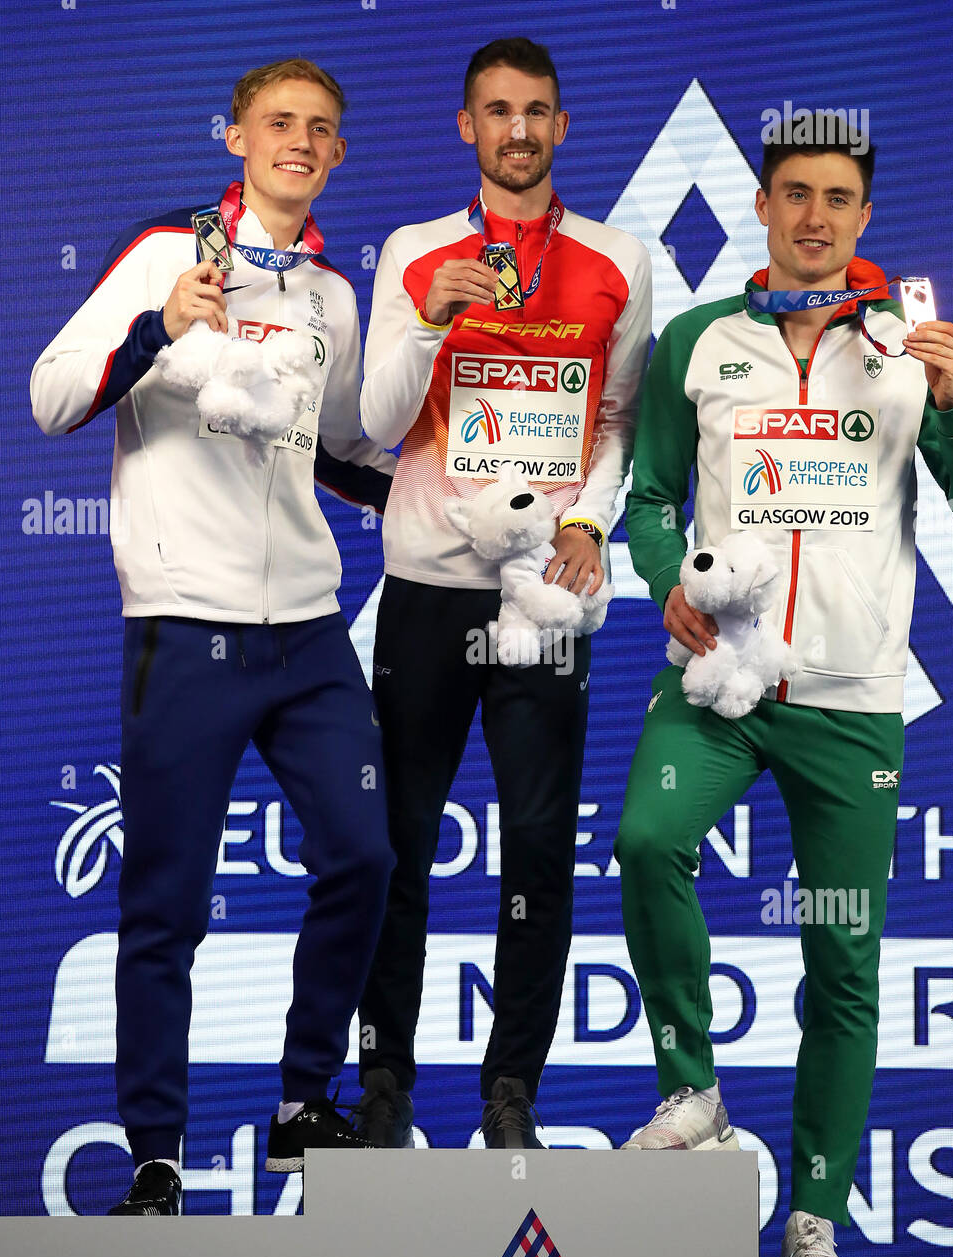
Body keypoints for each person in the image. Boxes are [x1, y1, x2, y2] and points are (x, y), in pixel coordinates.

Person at [615, 130, 953, 1257]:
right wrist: (666, 578)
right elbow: (647, 493)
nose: (814, 216)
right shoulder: (699, 339)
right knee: (647, 840)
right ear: (760, 203)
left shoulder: (905, 348)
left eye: (837, 199)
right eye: (794, 194)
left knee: (843, 955)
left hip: (852, 702)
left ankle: (811, 1224)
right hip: (722, 683)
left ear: (862, 217)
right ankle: (691, 1090)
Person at [30, 58, 397, 1214]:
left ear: (337, 153)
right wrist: (154, 327)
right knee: (168, 904)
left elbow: (340, 452)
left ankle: (301, 1107)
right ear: (236, 134)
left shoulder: (334, 296)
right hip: (183, 626)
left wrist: (457, 490)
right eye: (278, 123)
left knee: (366, 854)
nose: (299, 141)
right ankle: (156, 1157)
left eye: (321, 129)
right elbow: (50, 395)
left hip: (306, 629)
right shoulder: (165, 252)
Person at [330, 37, 651, 1148]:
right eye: (497, 111)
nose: (518, 129)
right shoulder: (416, 249)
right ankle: (385, 1089)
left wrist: (585, 521)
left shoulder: (618, 257)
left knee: (538, 848)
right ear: (466, 127)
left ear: (562, 128)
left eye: (538, 112)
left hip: (540, 599)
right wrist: (429, 317)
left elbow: (616, 426)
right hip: (425, 588)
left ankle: (511, 1091)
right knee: (397, 847)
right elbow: (374, 422)